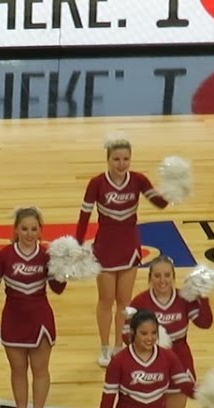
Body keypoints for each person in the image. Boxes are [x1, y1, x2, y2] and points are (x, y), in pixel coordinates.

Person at [75, 137, 171, 368]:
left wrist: (173, 188)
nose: (121, 164)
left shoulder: (138, 180)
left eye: (125, 159)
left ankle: (120, 345)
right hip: (105, 248)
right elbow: (84, 217)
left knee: (124, 301)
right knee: (106, 300)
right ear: (107, 159)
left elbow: (160, 204)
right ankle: (104, 347)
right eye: (116, 159)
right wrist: (77, 246)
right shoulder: (97, 183)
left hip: (129, 248)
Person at [0, 207, 66, 408]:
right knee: (17, 369)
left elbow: (58, 288)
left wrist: (63, 271)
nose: (29, 233)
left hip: (40, 318)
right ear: (16, 229)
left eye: (34, 229)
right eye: (24, 228)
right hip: (13, 318)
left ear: (40, 231)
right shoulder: (4, 255)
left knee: (39, 369)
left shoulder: (47, 255)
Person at [123, 258, 212, 408]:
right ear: (150, 278)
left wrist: (203, 295)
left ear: (174, 277)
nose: (162, 281)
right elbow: (126, 336)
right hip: (149, 364)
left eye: (167, 276)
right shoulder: (141, 301)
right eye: (157, 276)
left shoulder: (185, 298)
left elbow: (205, 323)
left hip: (180, 361)